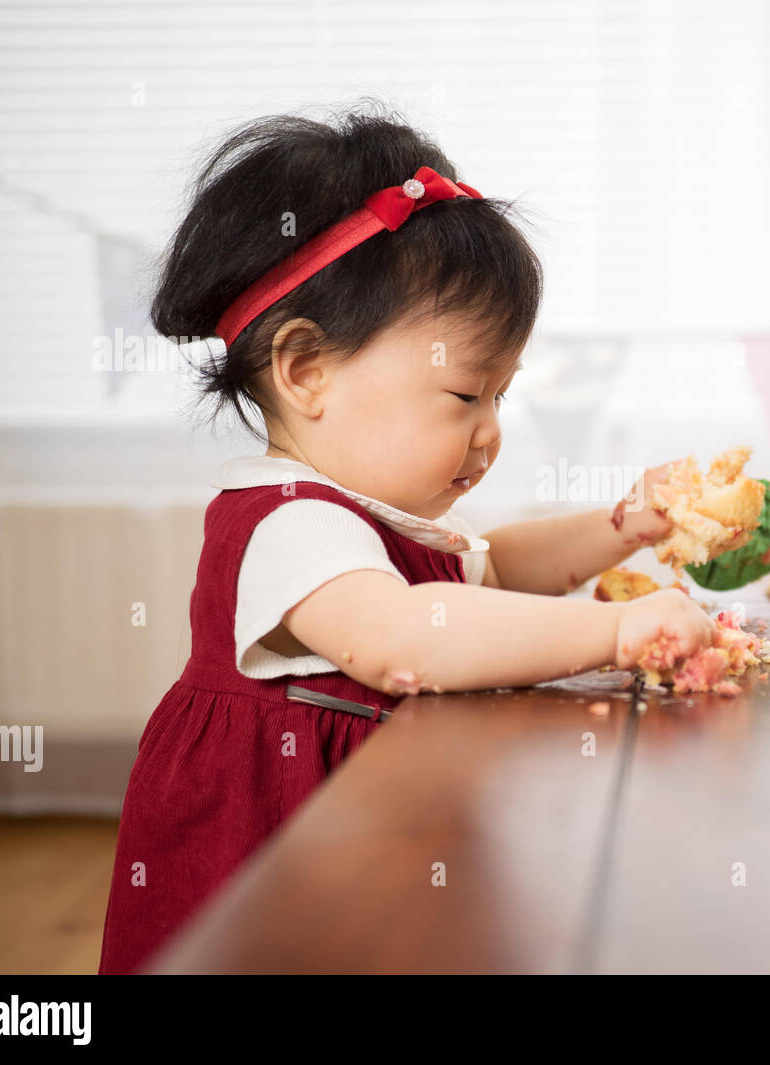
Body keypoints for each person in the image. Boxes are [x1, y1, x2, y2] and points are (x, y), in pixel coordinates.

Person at [97, 100, 716, 974]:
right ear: (306, 370)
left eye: (503, 395)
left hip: (372, 836)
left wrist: (621, 529)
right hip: (270, 855)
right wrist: (616, 629)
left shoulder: (375, 514)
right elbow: (406, 638)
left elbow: (491, 571)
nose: (492, 430)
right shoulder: (284, 522)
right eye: (467, 395)